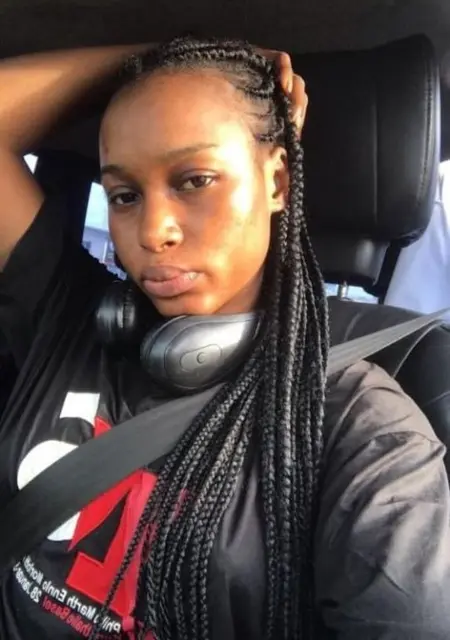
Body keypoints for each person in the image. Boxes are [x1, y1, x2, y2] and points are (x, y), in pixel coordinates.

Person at [0, 35, 449, 640]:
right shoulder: (68, 317)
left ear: (277, 181)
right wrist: (161, 56)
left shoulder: (362, 430)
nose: (153, 231)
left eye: (194, 180)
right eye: (125, 196)